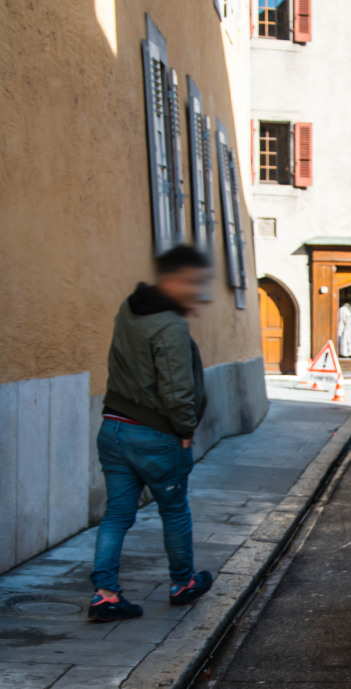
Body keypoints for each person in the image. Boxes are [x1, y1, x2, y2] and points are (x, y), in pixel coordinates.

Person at [89, 245, 214, 621]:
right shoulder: (170, 325)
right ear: (172, 280)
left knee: (116, 514)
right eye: (193, 282)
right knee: (174, 510)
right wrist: (185, 429)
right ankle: (183, 583)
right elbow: (177, 388)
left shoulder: (129, 308)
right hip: (155, 435)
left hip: (114, 428)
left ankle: (105, 595)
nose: (197, 291)